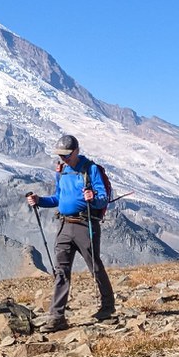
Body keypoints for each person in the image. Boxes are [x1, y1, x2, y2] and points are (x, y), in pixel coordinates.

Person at [26, 134, 115, 330]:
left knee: (95, 266)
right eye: (60, 155)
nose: (63, 158)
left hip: (85, 224)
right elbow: (58, 198)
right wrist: (39, 200)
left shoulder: (90, 169)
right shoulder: (62, 171)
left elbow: (103, 198)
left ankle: (108, 307)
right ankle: (57, 317)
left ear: (76, 151)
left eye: (66, 155)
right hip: (65, 226)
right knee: (61, 271)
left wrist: (93, 197)